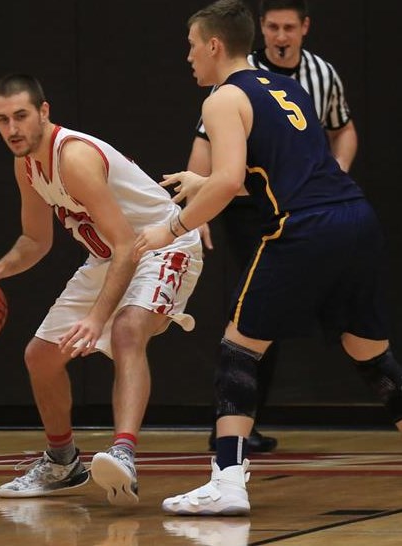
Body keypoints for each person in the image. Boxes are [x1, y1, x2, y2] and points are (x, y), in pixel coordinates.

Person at [134, 0, 402, 516]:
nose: (188, 57)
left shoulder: (223, 98)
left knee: (239, 346)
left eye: (192, 46)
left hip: (306, 228)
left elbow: (232, 179)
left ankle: (227, 480)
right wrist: (202, 183)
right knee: (368, 350)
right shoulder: (288, 87)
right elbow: (270, 173)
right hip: (356, 219)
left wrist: (168, 229)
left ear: (214, 45)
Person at [0, 74, 203, 506]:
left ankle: (123, 452)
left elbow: (127, 246)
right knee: (40, 355)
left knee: (125, 331)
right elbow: (35, 241)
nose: (13, 129)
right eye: (3, 119)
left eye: (22, 116)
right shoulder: (25, 164)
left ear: (44, 112)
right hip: (111, 257)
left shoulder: (74, 158)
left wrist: (96, 319)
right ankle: (63, 462)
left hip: (162, 245)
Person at [187, 0, 358, 453]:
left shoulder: (317, 78)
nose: (281, 36)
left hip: (306, 207)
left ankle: (230, 458)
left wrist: (334, 170)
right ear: (259, 30)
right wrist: (197, 209)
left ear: (305, 28)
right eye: (273, 27)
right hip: (258, 207)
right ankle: (233, 437)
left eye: (289, 27)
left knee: (268, 325)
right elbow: (210, 152)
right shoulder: (232, 88)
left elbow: (343, 128)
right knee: (254, 318)